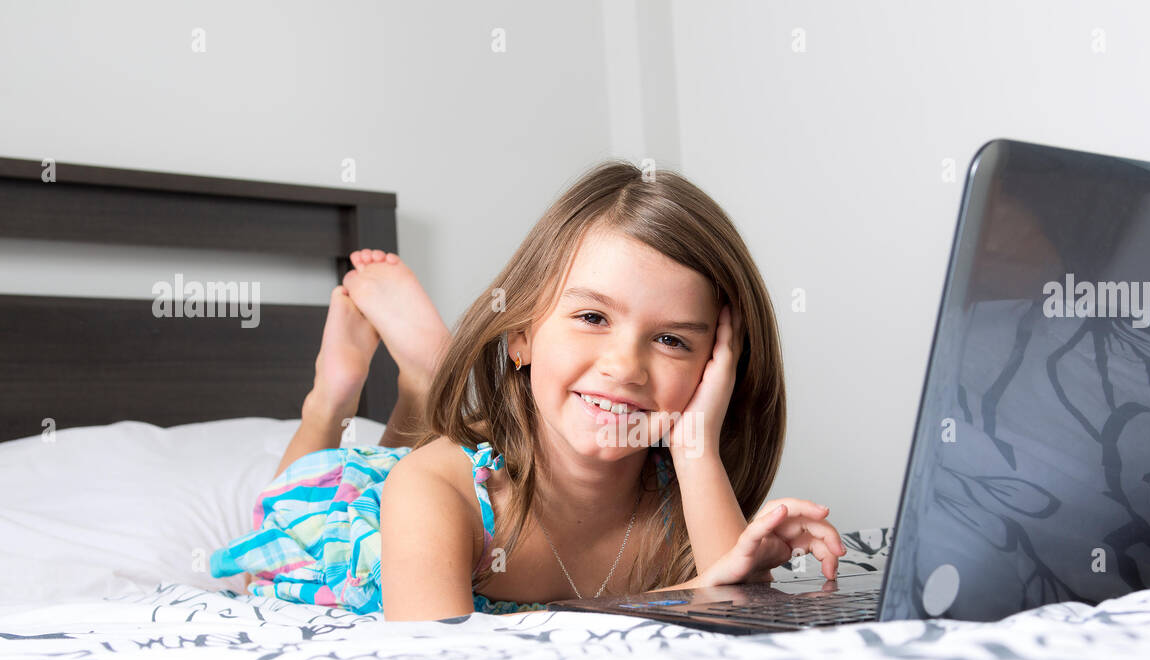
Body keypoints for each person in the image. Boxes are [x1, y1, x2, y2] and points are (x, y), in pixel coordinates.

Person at [211, 161, 846, 620]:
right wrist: (691, 589)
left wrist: (699, 448)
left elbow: (742, 633)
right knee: (310, 497)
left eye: (674, 340)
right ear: (520, 336)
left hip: (438, 482)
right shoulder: (436, 490)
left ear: (717, 367)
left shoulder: (685, 496)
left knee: (406, 461)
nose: (625, 366)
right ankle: (335, 395)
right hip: (368, 530)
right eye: (592, 317)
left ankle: (423, 388)